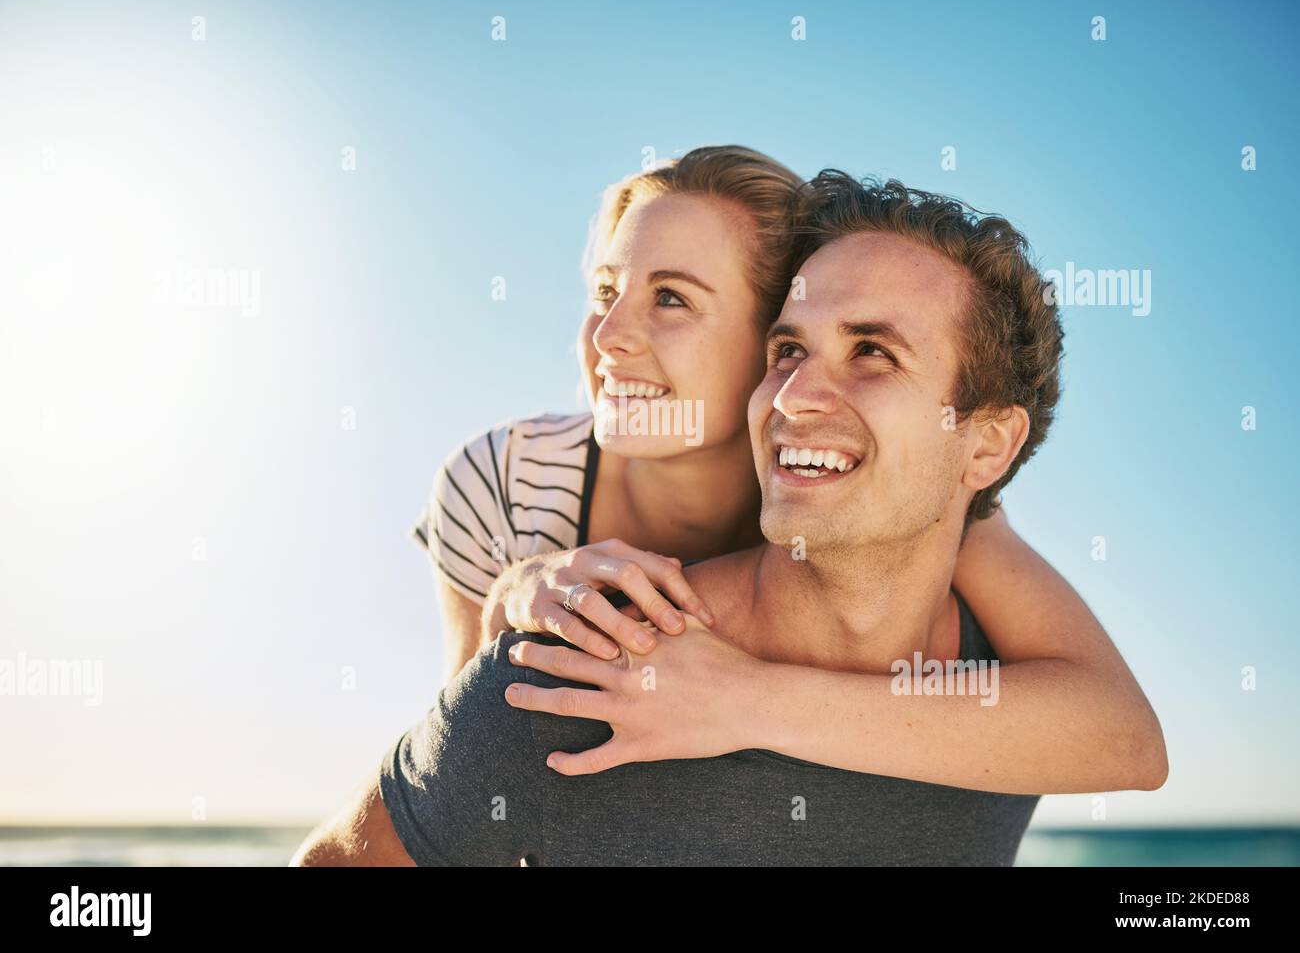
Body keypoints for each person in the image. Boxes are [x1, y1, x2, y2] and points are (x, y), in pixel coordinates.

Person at [292, 172, 1166, 866]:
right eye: (792, 350)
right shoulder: (568, 631)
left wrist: (748, 700)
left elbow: (1126, 738)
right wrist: (514, 606)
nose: (800, 394)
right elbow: (428, 804)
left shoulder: (998, 657)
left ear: (986, 448)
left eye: (873, 351)